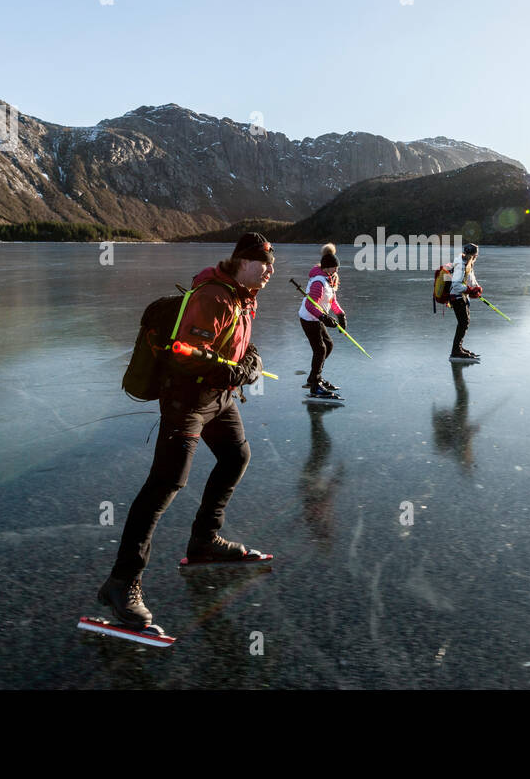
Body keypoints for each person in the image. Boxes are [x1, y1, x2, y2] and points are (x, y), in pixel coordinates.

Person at [96, 232, 273, 628]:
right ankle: (121, 582)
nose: (269, 272)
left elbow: (240, 346)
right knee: (166, 482)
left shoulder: (243, 297)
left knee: (235, 455)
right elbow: (184, 357)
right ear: (242, 261)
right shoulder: (213, 297)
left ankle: (204, 540)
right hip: (186, 400)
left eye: (271, 265)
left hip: (218, 397)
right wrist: (234, 372)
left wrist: (251, 361)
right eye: (263, 264)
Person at [298, 243, 345, 399]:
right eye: (334, 268)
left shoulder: (329, 280)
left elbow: (332, 301)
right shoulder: (319, 282)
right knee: (320, 349)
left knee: (328, 345)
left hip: (316, 318)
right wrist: (324, 317)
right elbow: (309, 304)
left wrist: (341, 315)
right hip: (309, 318)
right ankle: (315, 385)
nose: (336, 270)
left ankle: (314, 378)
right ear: (327, 268)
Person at [448, 242, 483, 360]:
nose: (476, 257)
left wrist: (476, 287)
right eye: (475, 255)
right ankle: (456, 351)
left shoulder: (468, 263)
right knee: (463, 323)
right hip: (456, 297)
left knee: (465, 322)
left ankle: (458, 348)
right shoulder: (460, 265)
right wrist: (469, 290)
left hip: (462, 297)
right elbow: (456, 285)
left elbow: (470, 278)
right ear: (471, 255)